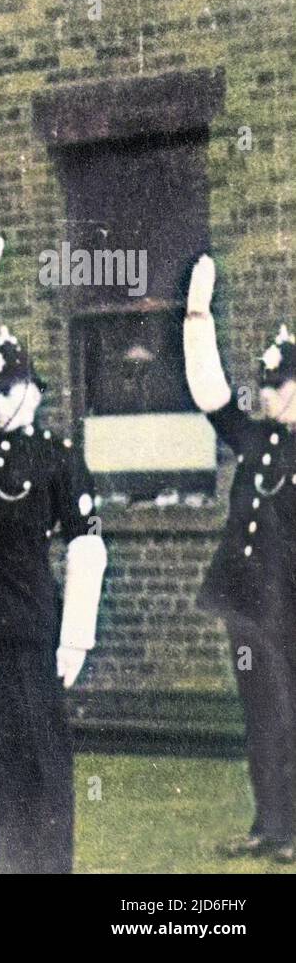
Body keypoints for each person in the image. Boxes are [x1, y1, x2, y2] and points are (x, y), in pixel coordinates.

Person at [0, 237, 107, 873]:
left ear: (32, 389)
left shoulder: (56, 458)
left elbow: (87, 546)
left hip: (33, 633)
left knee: (43, 764)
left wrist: (76, 639)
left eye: (9, 388)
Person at [183, 254, 295, 864]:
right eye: (267, 381)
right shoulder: (256, 438)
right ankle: (271, 824)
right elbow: (212, 395)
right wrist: (197, 316)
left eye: (279, 383)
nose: (268, 391)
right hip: (249, 603)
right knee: (264, 717)